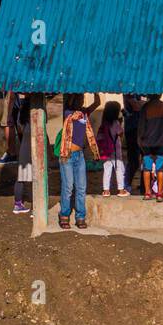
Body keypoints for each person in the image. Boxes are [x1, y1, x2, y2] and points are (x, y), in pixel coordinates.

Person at [57, 93, 100, 229]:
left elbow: (97, 103)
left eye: (82, 98)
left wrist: (95, 92)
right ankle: (64, 214)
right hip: (67, 154)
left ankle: (80, 216)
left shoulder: (84, 113)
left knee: (81, 187)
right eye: (79, 98)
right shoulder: (68, 112)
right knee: (68, 187)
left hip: (79, 155)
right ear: (73, 99)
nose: (81, 100)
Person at [138, 94, 163, 201]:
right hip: (162, 142)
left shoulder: (145, 108)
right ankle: (160, 194)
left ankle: (148, 193)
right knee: (160, 169)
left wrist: (140, 140)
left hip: (147, 143)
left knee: (147, 168)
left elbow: (141, 127)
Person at [97, 101, 128, 197]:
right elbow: (120, 134)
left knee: (107, 170)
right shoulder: (115, 123)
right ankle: (121, 190)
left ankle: (106, 190)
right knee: (119, 169)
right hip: (115, 151)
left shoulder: (103, 123)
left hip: (105, 151)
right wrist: (121, 122)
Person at [11, 95, 34, 214]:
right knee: (35, 177)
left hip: (23, 146)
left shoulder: (21, 118)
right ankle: (35, 207)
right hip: (31, 149)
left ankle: (18, 203)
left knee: (21, 177)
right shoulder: (32, 121)